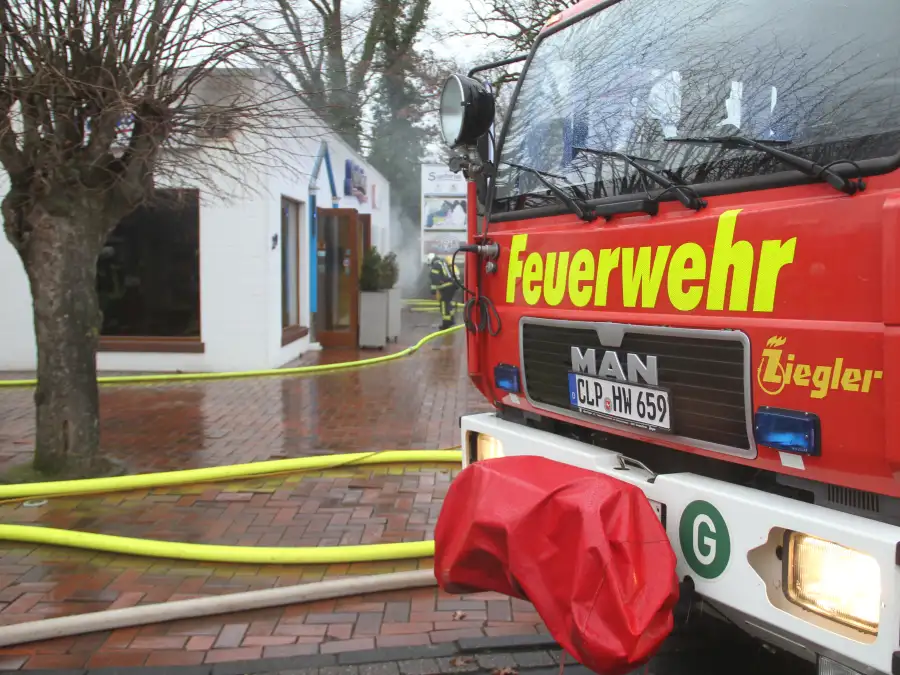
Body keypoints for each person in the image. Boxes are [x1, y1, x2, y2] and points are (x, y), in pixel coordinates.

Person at [427, 252, 457, 330]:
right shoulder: (442, 262)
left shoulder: (435, 266)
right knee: (448, 302)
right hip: (452, 284)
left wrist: (433, 291)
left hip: (446, 286)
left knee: (443, 304)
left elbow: (435, 280)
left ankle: (446, 324)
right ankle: (451, 320)